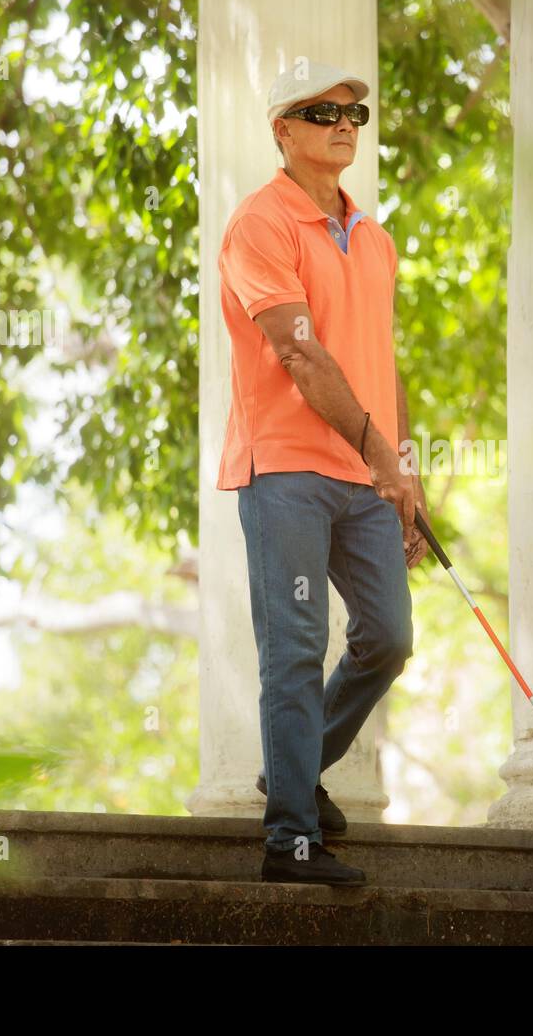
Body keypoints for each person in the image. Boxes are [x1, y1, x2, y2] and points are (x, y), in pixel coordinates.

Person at [216, 60, 429, 887]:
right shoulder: (258, 226)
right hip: (286, 473)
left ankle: (295, 768)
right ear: (283, 128)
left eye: (354, 112)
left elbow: (382, 361)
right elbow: (301, 354)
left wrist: (402, 468)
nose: (344, 123)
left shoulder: (373, 237)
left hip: (366, 474)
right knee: (297, 647)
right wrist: (382, 453)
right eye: (321, 111)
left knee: (388, 637)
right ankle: (291, 840)